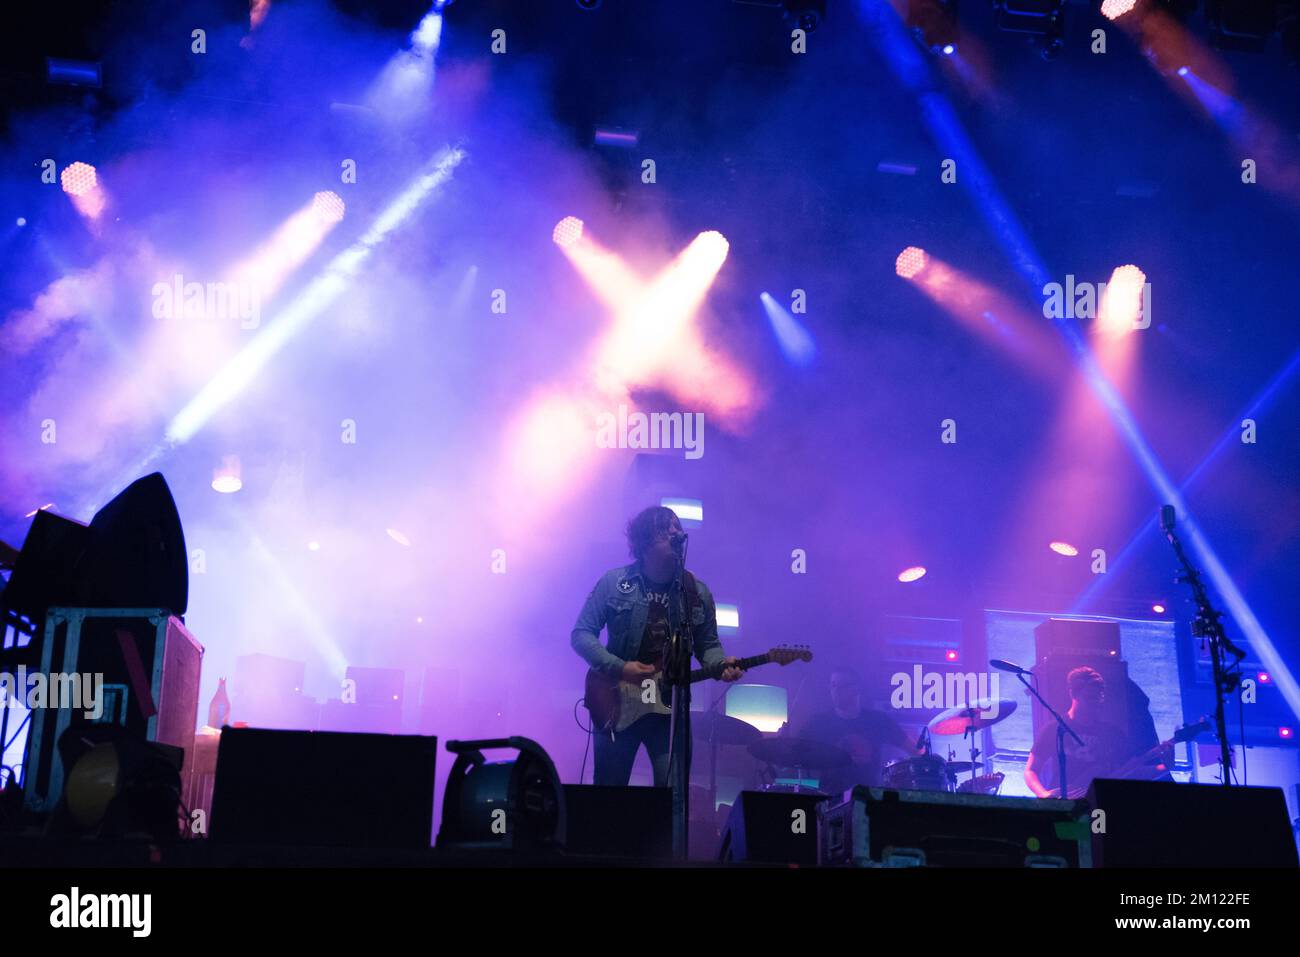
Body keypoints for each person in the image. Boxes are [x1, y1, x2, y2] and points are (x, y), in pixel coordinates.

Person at [571, 505, 744, 787]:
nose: (678, 532)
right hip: (616, 703)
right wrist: (621, 667)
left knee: (672, 799)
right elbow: (581, 634)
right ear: (645, 541)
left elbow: (708, 645)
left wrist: (720, 664)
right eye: (667, 528)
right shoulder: (614, 583)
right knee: (608, 797)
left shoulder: (696, 592)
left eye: (678, 527)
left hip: (669, 710)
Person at [1024, 665, 1170, 798]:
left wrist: (1165, 767)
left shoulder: (1113, 734)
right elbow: (1031, 771)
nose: (1095, 703)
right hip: (1064, 805)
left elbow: (1131, 772)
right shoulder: (1055, 729)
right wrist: (1043, 794)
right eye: (1089, 697)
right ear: (1073, 694)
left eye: (1098, 698)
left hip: (1100, 807)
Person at [800, 666, 916, 795]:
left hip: (870, 798)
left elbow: (914, 750)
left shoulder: (879, 720)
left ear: (857, 689)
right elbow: (795, 751)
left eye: (842, 686)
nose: (836, 691)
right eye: (833, 685)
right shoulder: (818, 722)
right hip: (829, 798)